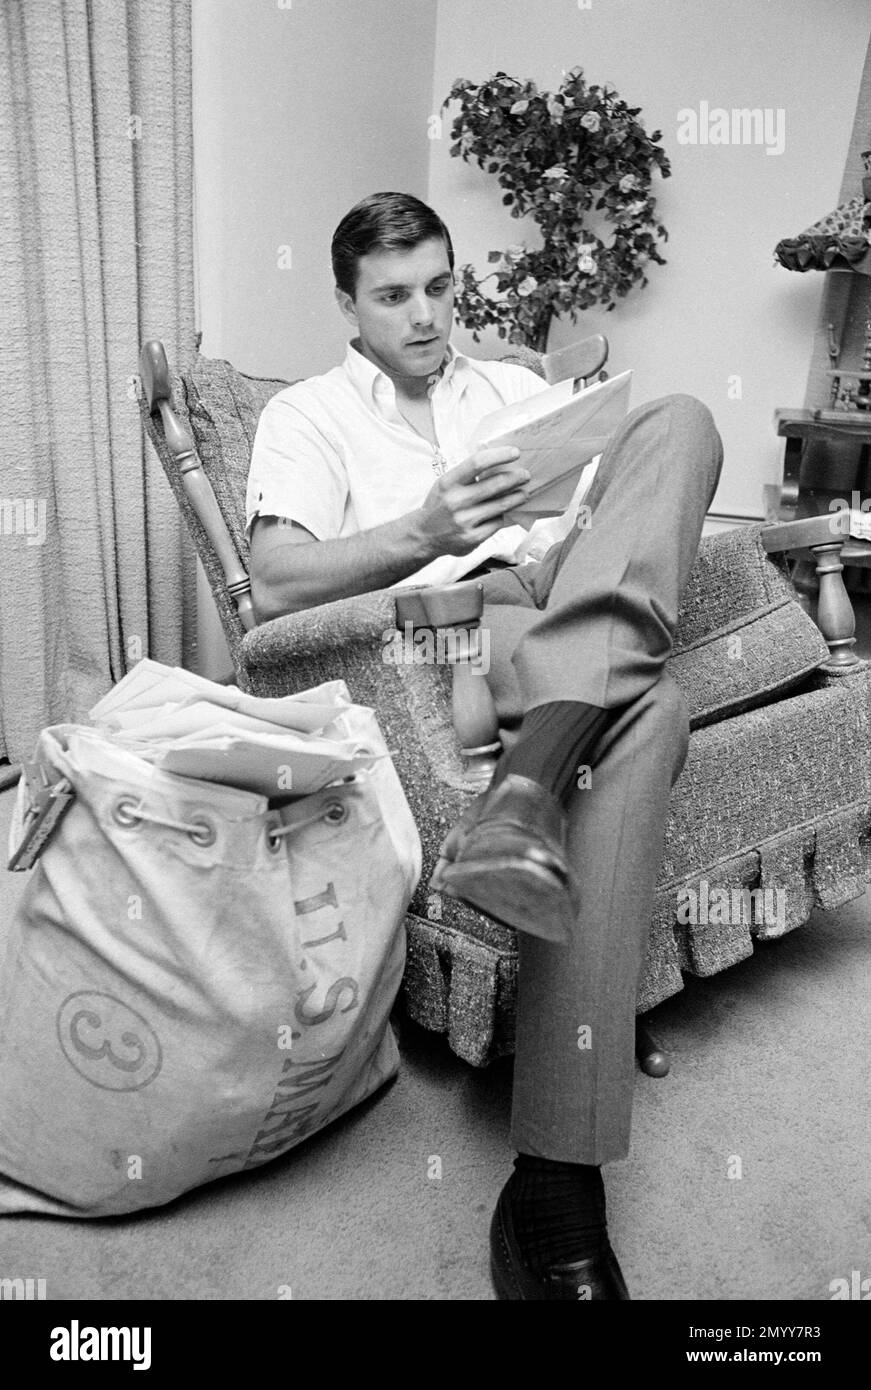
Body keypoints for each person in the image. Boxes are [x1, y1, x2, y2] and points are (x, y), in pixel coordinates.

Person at [246, 191, 723, 1300]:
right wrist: (428, 528)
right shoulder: (310, 415)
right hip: (447, 624)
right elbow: (272, 585)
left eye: (442, 287)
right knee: (643, 712)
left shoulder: (509, 387)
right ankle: (555, 1187)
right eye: (394, 296)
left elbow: (628, 499)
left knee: (686, 417)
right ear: (347, 303)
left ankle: (531, 775)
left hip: (567, 590)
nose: (425, 316)